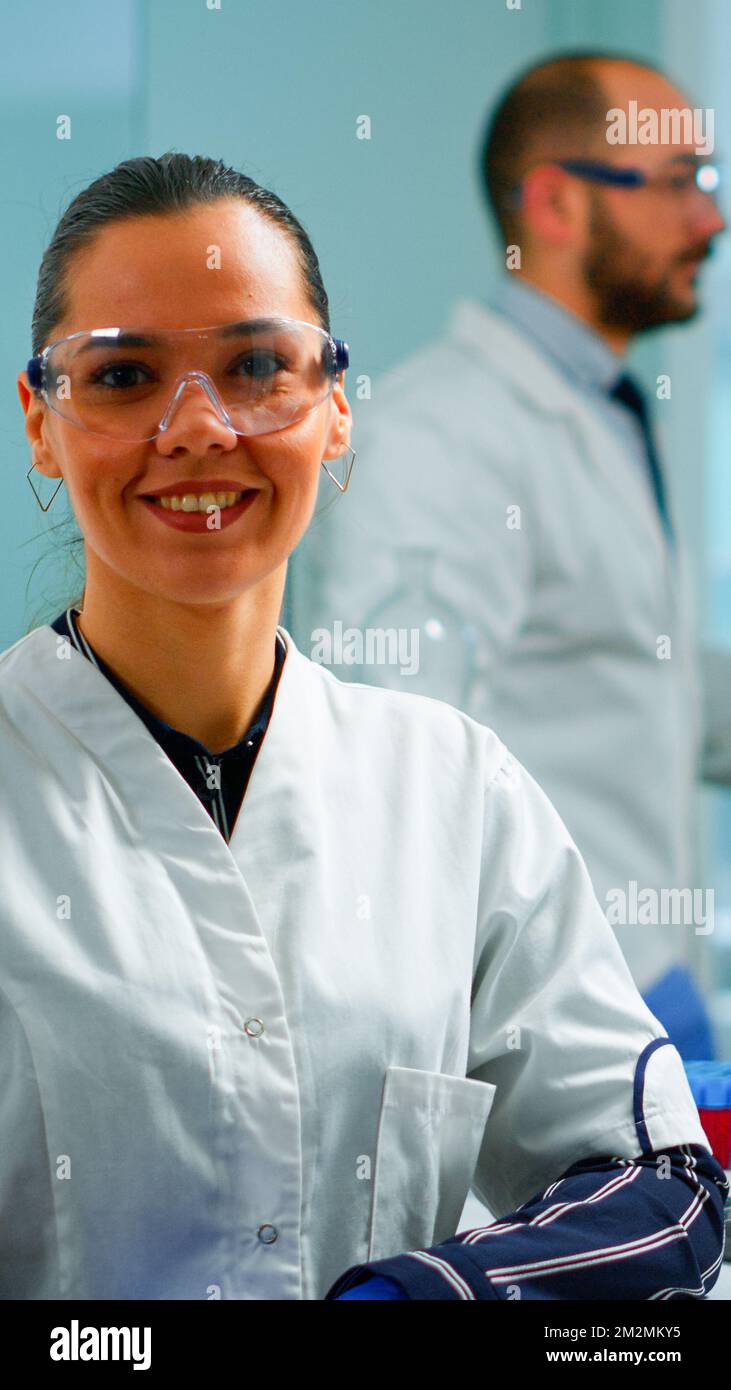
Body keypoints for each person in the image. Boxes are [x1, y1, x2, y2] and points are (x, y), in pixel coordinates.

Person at [4, 152, 726, 1303]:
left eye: (253, 366)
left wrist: (435, 1295)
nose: (197, 429)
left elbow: (661, 1183)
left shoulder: (452, 789)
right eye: (126, 375)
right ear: (42, 424)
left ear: (335, 408)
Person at [288, 52, 731, 1061]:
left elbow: (630, 671)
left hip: (648, 985)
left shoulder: (597, 408)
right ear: (555, 203)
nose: (708, 221)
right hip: (549, 1018)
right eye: (678, 185)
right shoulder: (448, 432)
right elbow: (392, 745)